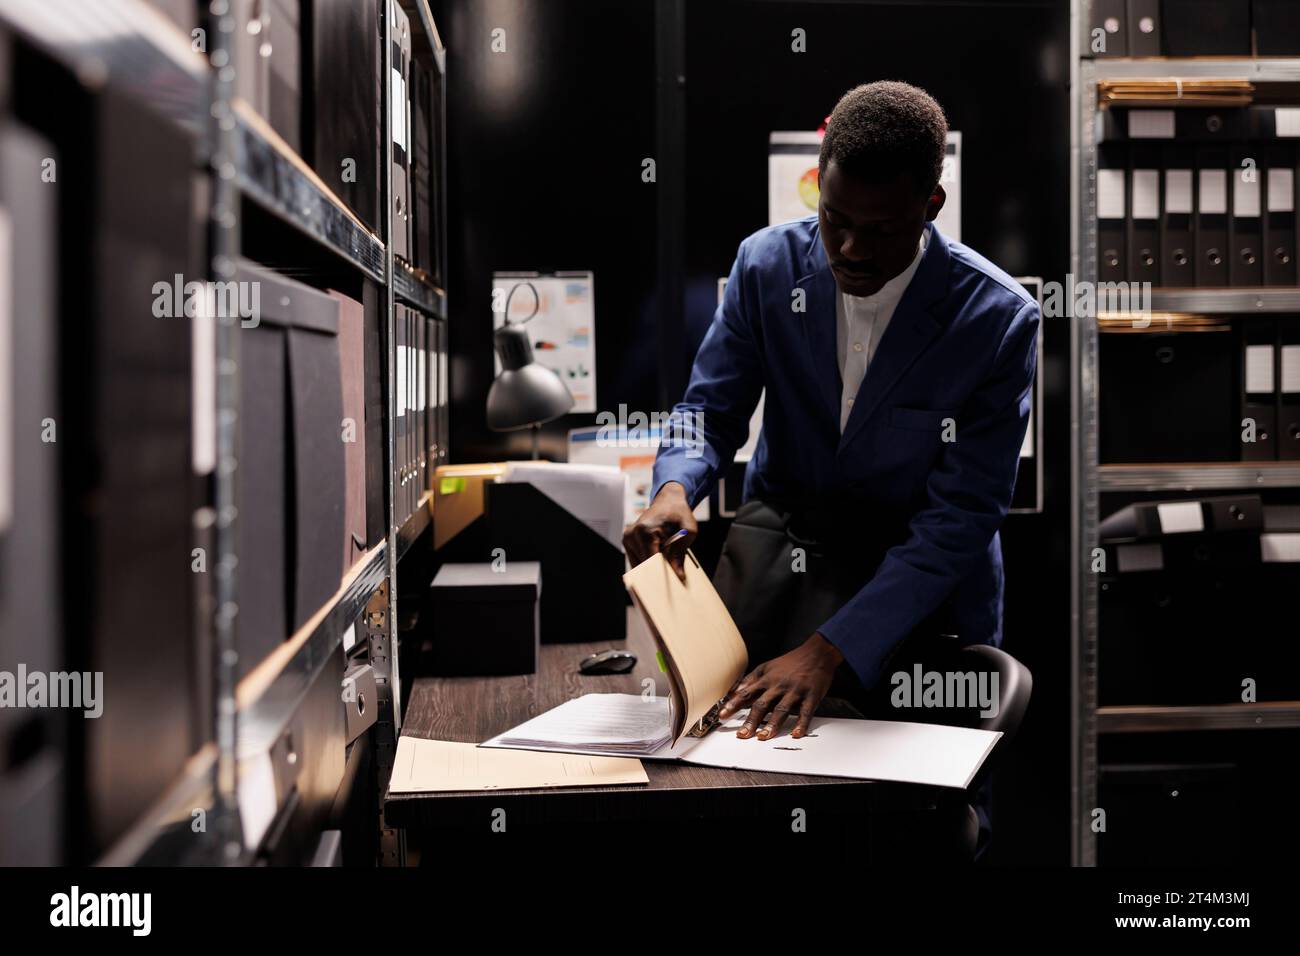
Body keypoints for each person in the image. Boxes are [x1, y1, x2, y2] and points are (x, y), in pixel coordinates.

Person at [623, 81, 1040, 856]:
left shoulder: (996, 320)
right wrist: (676, 486)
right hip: (785, 564)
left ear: (933, 204)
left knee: (917, 827)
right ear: (818, 183)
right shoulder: (766, 266)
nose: (849, 251)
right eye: (835, 221)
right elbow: (708, 409)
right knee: (744, 804)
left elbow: (961, 518)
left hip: (922, 597)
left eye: (879, 232)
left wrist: (833, 648)